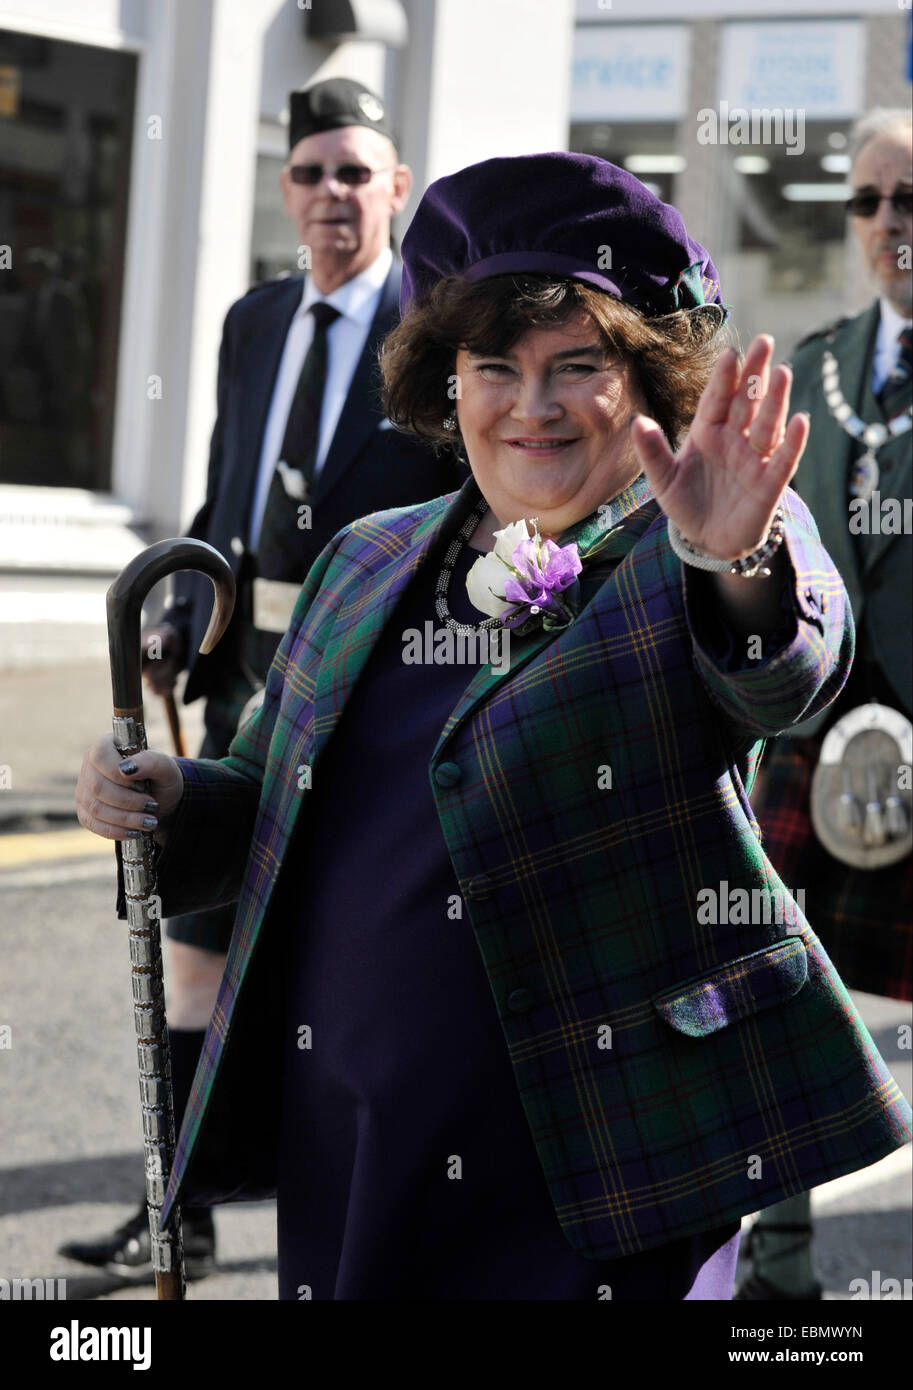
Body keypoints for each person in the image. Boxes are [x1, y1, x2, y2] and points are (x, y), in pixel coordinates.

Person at [75, 153, 912, 1301]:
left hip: (596, 1181)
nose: (532, 405)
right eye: (493, 368)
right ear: (446, 383)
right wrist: (168, 801)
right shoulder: (365, 556)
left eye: (579, 366)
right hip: (360, 1145)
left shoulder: (696, 539)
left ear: (646, 382)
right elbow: (264, 803)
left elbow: (783, 675)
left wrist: (738, 559)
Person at [59, 76, 461, 1281]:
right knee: (191, 937)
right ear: (283, 189)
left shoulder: (433, 329)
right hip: (243, 676)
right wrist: (182, 609)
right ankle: (177, 1202)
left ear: (395, 187)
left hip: (372, 687)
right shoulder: (252, 319)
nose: (331, 196)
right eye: (309, 174)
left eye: (355, 173)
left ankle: (364, 1204)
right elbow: (227, 493)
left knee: (354, 952)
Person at [736, 108, 912, 1301]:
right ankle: (778, 1267)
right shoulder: (824, 356)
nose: (889, 224)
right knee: (781, 1002)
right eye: (867, 202)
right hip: (813, 738)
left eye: (910, 201)